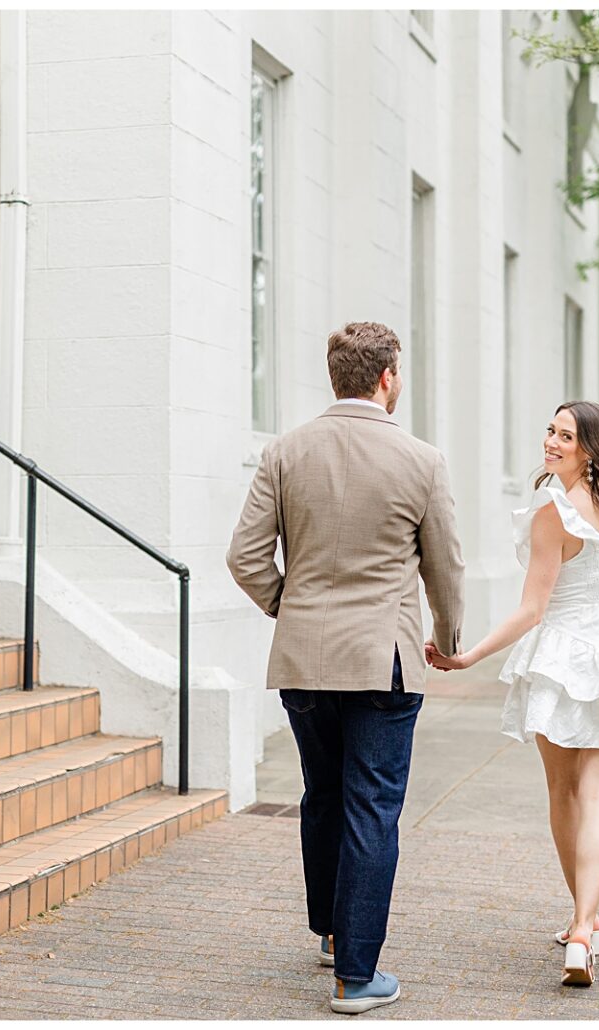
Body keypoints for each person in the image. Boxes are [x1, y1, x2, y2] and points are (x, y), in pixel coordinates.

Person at [227, 321, 465, 1014]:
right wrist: (449, 638)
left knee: (323, 794)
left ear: (336, 376)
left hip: (304, 658)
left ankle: (335, 931)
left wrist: (288, 607)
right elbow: (446, 566)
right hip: (382, 662)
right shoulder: (422, 459)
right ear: (388, 377)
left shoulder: (284, 452)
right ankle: (357, 976)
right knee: (371, 808)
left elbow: (244, 558)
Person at [426, 401, 599, 988]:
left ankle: (584, 926)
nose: (551, 441)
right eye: (550, 430)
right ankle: (585, 925)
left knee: (565, 793)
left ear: (589, 448)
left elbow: (533, 610)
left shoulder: (552, 514)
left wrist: (469, 656)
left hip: (562, 661)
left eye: (565, 435)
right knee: (596, 794)